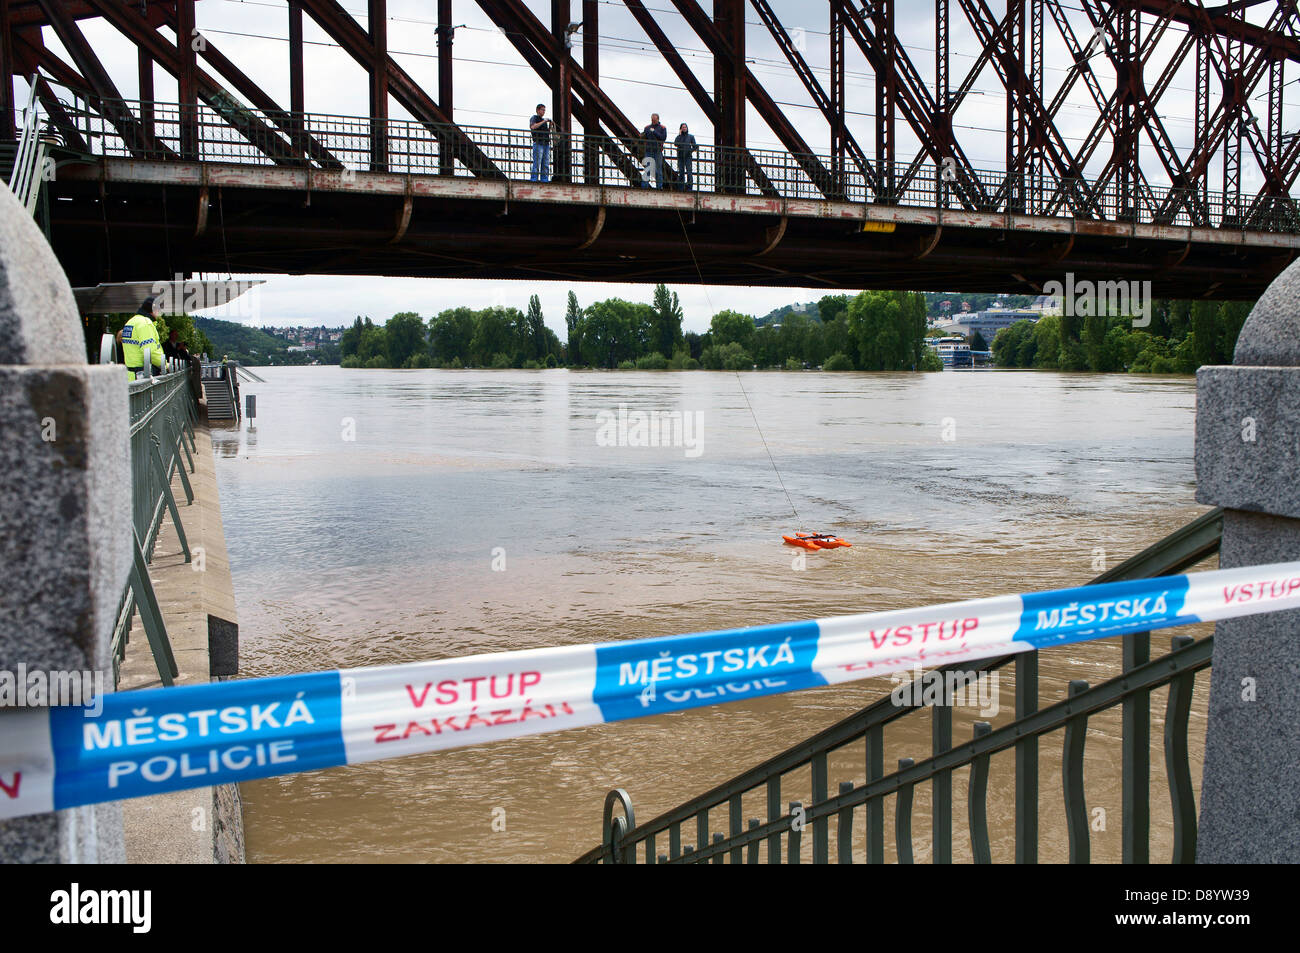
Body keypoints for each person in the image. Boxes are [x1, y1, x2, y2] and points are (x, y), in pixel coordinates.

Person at [117, 296, 164, 380]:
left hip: (130, 376)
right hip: (141, 377)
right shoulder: (145, 323)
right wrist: (165, 365)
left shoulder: (131, 322)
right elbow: (150, 351)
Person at [641, 113, 666, 189]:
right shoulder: (647, 127)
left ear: (658, 119)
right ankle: (644, 186)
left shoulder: (662, 127)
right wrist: (642, 135)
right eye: (652, 119)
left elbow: (663, 137)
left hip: (657, 151)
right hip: (649, 150)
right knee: (647, 169)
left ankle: (659, 186)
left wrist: (654, 132)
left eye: (654, 119)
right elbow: (644, 137)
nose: (653, 121)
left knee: (658, 170)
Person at [529, 104, 552, 182]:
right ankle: (534, 179)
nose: (544, 111)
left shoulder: (543, 121)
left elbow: (546, 132)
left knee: (545, 163)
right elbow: (533, 127)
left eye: (544, 110)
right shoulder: (534, 118)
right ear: (538, 110)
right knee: (537, 162)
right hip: (538, 142)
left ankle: (544, 179)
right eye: (542, 110)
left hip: (545, 143)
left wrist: (549, 126)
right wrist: (544, 121)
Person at [674, 123, 698, 191]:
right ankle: (681, 187)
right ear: (681, 129)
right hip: (680, 156)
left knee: (689, 172)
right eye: (683, 127)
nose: (684, 128)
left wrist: (689, 151)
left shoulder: (691, 137)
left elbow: (695, 146)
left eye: (685, 127)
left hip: (688, 156)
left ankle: (689, 187)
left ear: (687, 128)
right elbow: (675, 143)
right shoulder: (679, 137)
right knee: (681, 172)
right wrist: (679, 135)